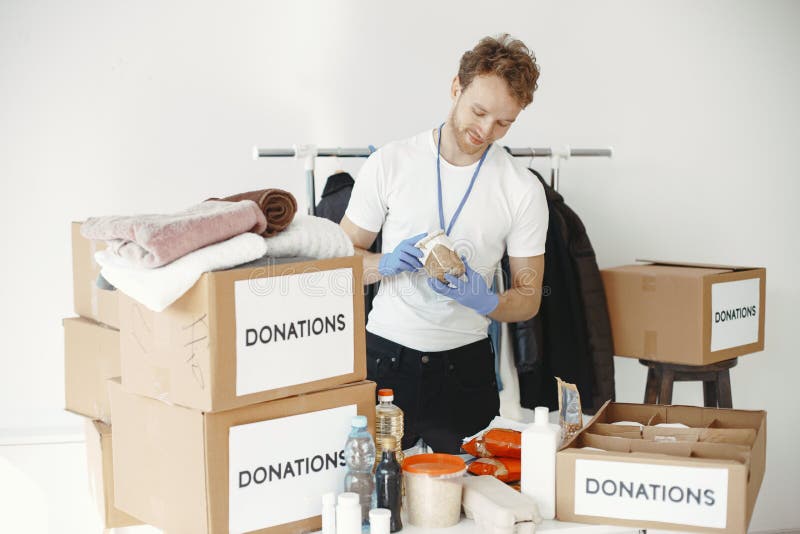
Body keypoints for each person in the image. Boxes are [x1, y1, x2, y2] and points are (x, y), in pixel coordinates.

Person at [340, 34, 548, 454]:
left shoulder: (522, 188)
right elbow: (339, 263)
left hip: (465, 369)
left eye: (504, 122)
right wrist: (385, 263)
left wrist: (485, 300)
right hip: (385, 362)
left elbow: (528, 297)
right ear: (456, 87)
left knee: (470, 500)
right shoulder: (390, 163)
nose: (486, 130)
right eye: (479, 111)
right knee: (379, 499)